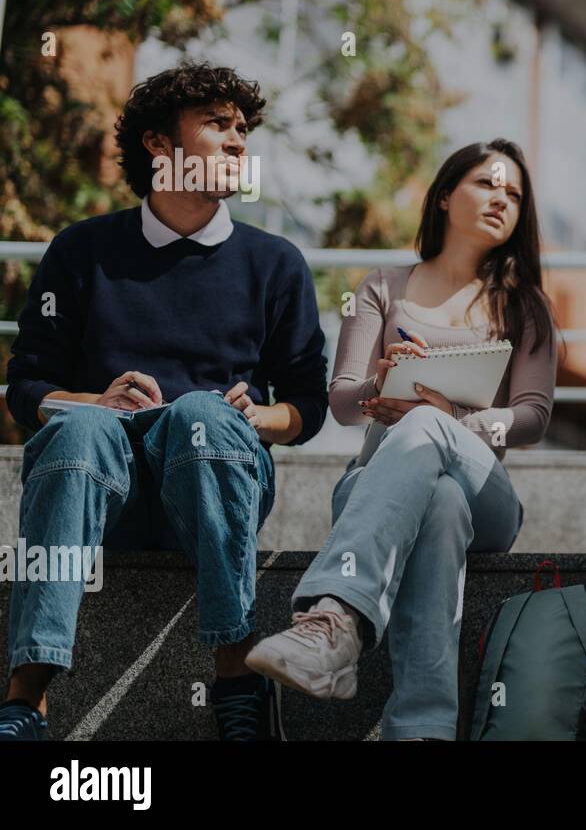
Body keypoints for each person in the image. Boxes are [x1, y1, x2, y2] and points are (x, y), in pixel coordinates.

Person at [0, 62, 329, 741]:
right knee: (82, 428)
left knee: (202, 416)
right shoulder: (81, 251)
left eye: (242, 129)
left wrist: (255, 416)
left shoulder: (275, 262)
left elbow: (306, 405)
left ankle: (238, 680)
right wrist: (94, 401)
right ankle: (25, 703)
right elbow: (26, 388)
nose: (237, 140)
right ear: (158, 144)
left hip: (214, 480)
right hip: (101, 492)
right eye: (217, 124)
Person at [246, 139, 557, 741]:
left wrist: (450, 418)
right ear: (444, 195)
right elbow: (342, 403)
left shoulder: (525, 305)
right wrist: (381, 381)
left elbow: (534, 417)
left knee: (429, 435)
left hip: (487, 497)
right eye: (486, 183)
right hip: (378, 483)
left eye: (515, 194)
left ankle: (336, 618)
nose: (501, 199)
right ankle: (423, 727)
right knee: (439, 503)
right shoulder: (383, 286)